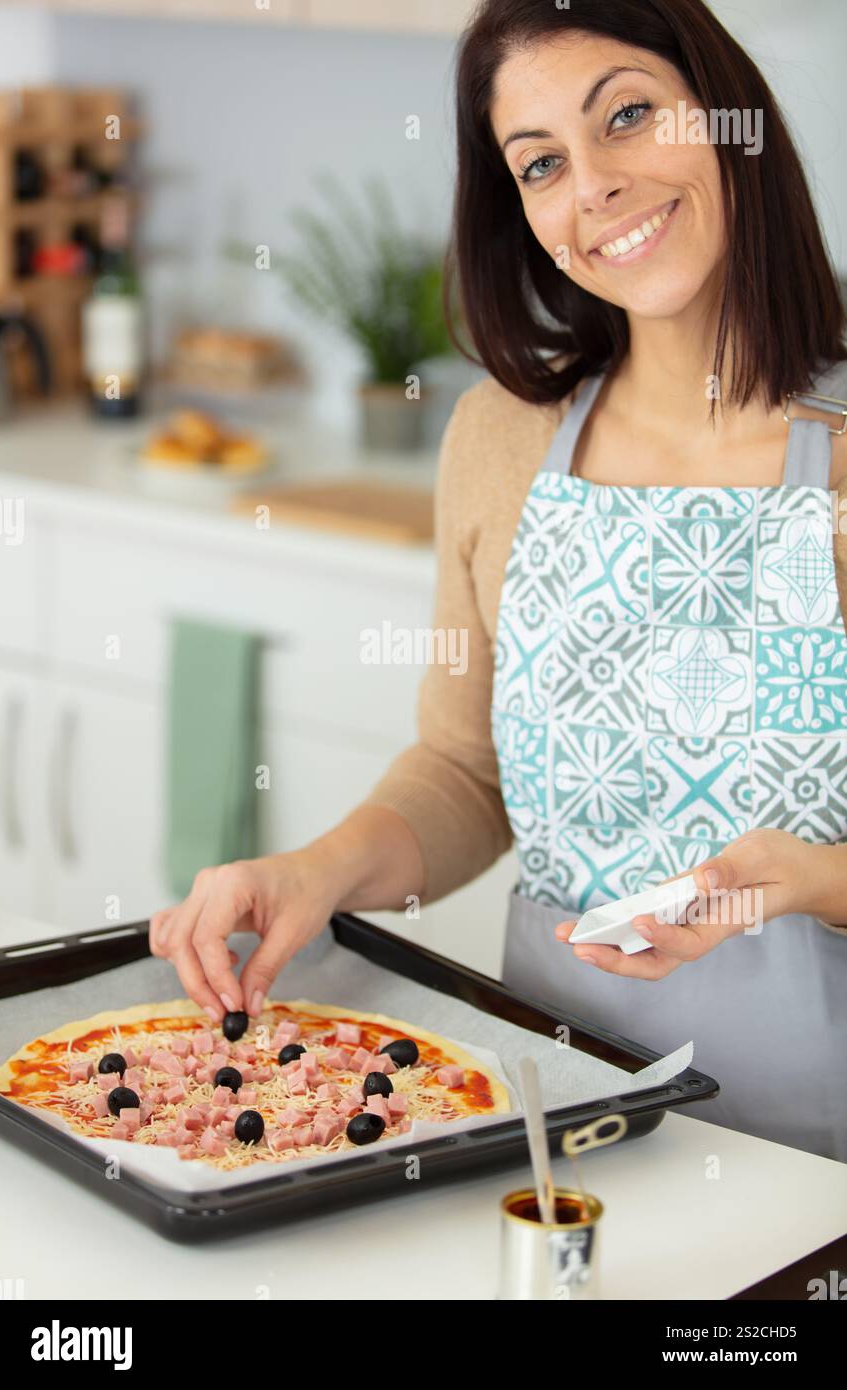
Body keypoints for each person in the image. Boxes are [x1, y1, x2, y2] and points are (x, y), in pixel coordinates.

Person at [151, 0, 847, 1161]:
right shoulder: (499, 438)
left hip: (810, 1158)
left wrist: (809, 879)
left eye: (627, 114)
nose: (595, 186)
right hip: (548, 1114)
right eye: (540, 163)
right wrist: (309, 870)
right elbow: (463, 773)